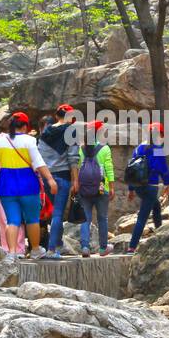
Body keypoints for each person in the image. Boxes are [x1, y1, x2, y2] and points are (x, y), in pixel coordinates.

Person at [0, 111, 57, 258]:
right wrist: (50, 180)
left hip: (6, 186)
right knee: (32, 219)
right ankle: (35, 250)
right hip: (28, 184)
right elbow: (38, 163)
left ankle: (12, 253)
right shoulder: (29, 141)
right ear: (24, 126)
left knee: (12, 220)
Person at [38, 104, 79, 260]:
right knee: (58, 214)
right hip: (62, 177)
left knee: (50, 212)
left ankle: (57, 244)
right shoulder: (71, 131)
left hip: (46, 177)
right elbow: (73, 158)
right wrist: (76, 180)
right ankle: (52, 249)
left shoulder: (46, 132)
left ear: (57, 116)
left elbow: (39, 156)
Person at [124, 122, 169, 253]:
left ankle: (159, 234)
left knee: (156, 206)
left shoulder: (139, 148)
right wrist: (168, 184)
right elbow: (163, 169)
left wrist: (131, 189)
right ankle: (132, 246)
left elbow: (132, 169)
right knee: (143, 217)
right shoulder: (158, 149)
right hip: (151, 186)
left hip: (139, 186)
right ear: (160, 134)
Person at [76, 120, 114, 256]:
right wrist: (112, 186)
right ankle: (103, 248)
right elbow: (109, 169)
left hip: (84, 188)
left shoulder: (81, 148)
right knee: (102, 218)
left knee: (86, 218)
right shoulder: (105, 148)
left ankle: (85, 247)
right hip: (101, 187)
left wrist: (76, 184)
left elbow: (77, 167)